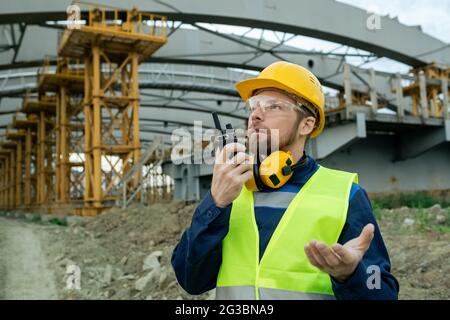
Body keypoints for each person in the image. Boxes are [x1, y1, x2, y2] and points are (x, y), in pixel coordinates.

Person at [171, 61, 399, 300]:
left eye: (274, 106)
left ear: (306, 124)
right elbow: (190, 281)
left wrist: (351, 275)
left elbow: (381, 291)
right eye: (253, 106)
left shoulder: (345, 195)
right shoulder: (231, 190)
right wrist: (214, 204)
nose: (256, 115)